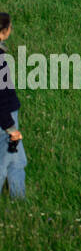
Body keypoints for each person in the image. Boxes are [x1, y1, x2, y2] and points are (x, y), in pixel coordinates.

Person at [0, 13, 26, 200]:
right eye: (10, 27)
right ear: (4, 32)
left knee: (14, 161)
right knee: (7, 163)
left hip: (6, 117)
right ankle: (19, 200)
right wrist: (11, 127)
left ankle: (19, 200)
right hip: (6, 118)